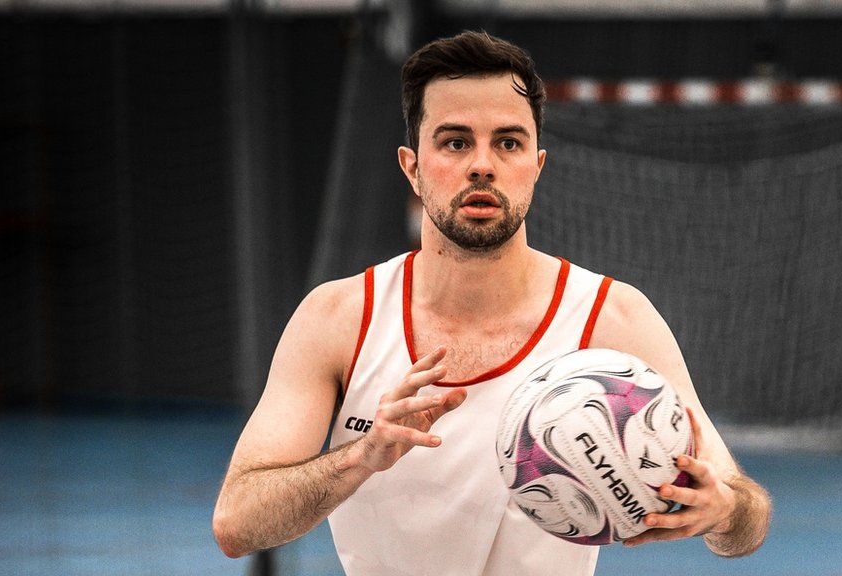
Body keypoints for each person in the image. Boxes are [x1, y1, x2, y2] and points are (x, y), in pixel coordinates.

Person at [212, 30, 771, 575]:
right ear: (411, 166)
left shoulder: (613, 318)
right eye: (455, 142)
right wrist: (359, 458)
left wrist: (724, 512)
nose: (483, 164)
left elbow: (744, 514)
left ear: (536, 165)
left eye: (508, 142)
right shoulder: (339, 318)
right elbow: (237, 523)